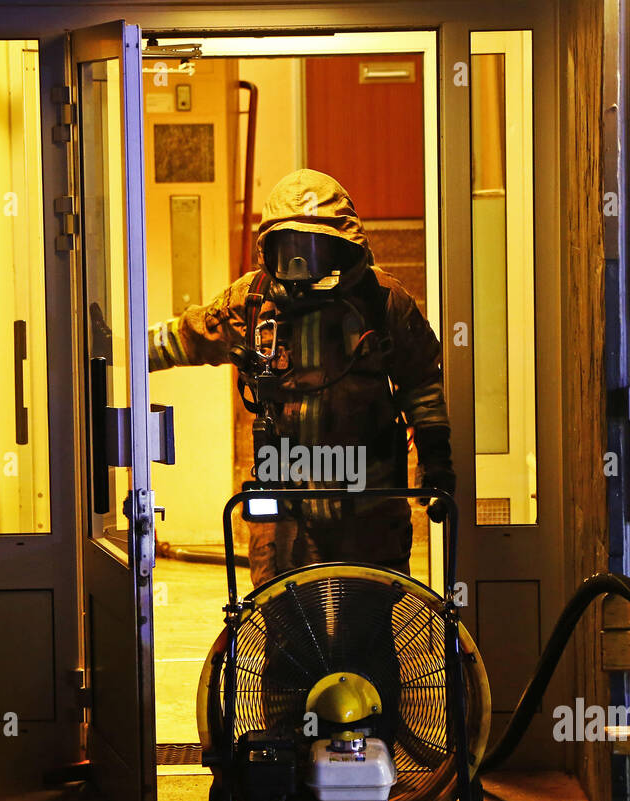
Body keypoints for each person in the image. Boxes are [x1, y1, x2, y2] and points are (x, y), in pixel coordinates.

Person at [148, 168, 455, 592]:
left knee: (367, 634)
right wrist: (122, 354)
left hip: (367, 507)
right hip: (284, 512)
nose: (300, 263)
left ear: (343, 248)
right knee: (282, 633)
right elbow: (186, 336)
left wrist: (436, 459)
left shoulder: (383, 302)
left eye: (313, 247)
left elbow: (423, 380)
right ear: (269, 249)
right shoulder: (251, 302)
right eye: (290, 248)